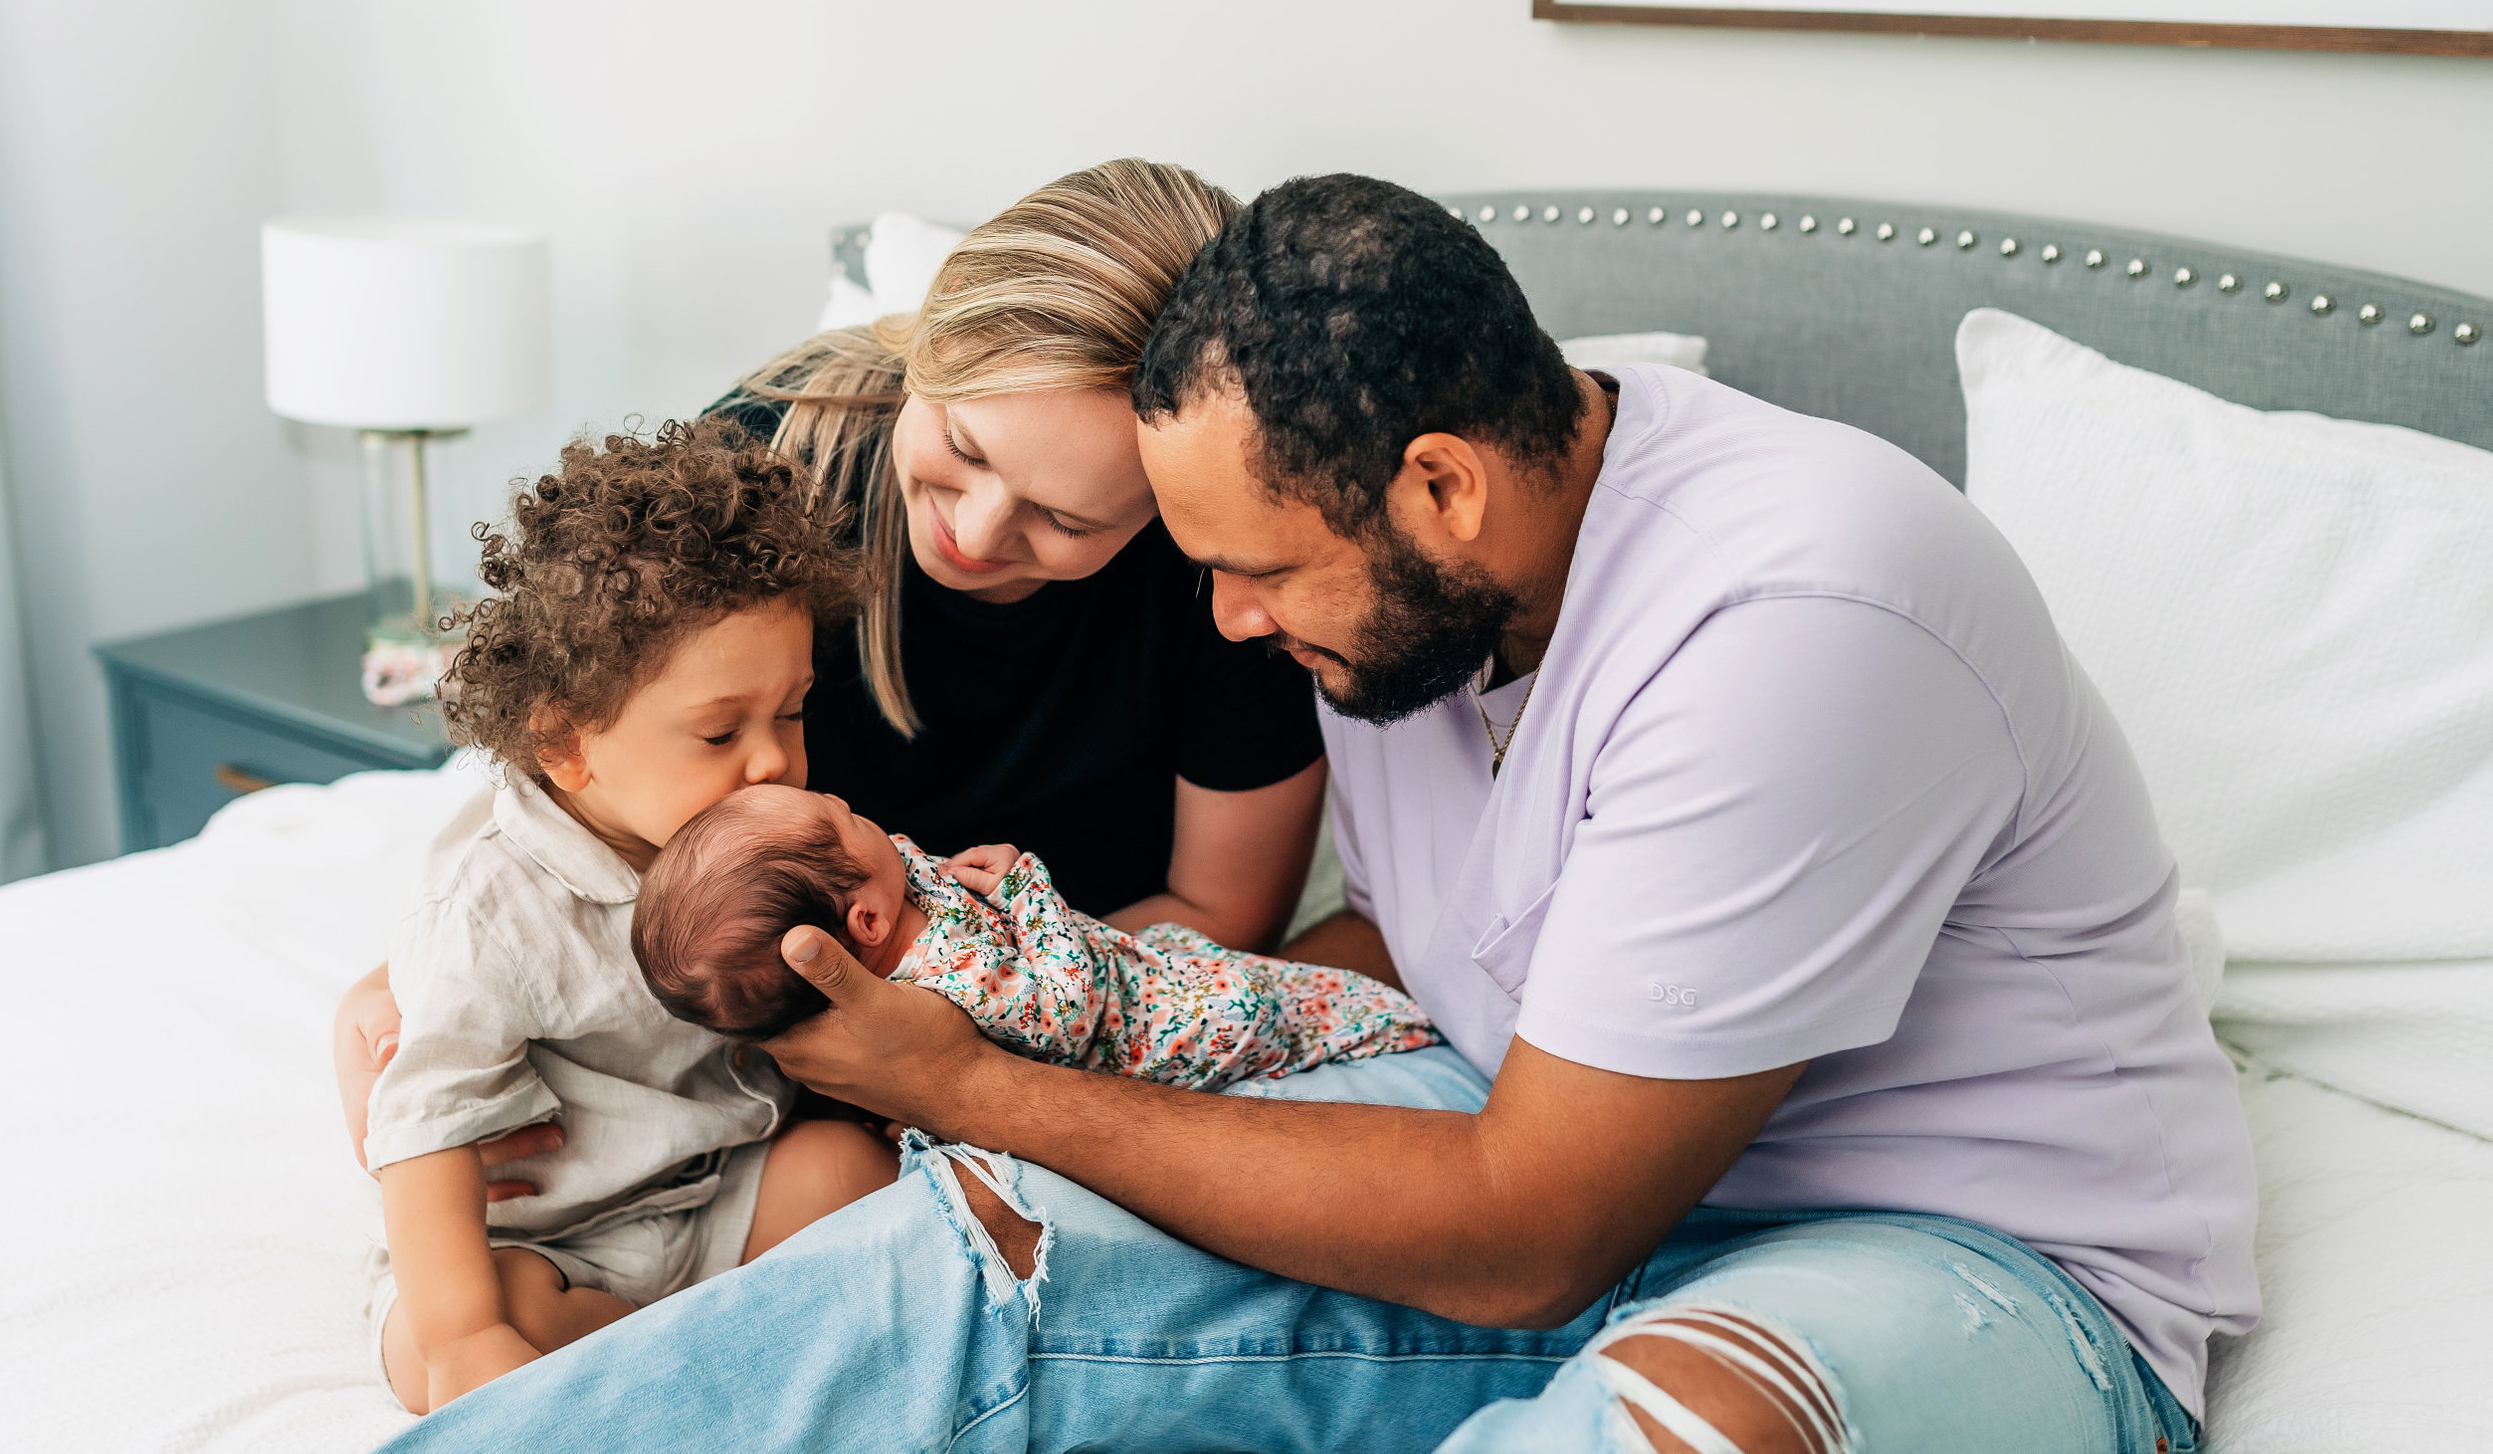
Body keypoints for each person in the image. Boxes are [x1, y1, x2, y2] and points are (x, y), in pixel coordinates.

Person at [378, 172, 2258, 1454]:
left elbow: (1531, 1228)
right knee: (981, 1266)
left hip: (1941, 1242)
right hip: (1513, 1116)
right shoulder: (1400, 596)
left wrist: (960, 1078)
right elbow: (1420, 964)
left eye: (1259, 573)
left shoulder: (1801, 616)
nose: (1228, 625)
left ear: (1441, 487)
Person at [331, 160, 1328, 1180]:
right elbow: (590, 807)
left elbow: (1223, 912)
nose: (977, 533)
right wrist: (420, 982)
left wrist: (959, 1031)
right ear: (931, 342)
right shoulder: (757, 479)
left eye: (1066, 518)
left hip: (1055, 982)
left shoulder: (1218, 573)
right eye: (963, 445)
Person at [364, 421, 897, 1415]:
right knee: (450, 1335)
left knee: (850, 1172)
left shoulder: (764, 838)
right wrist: (463, 1328)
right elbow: (423, 1128)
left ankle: (688, 1347)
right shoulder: (494, 907)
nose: (774, 759)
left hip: (711, 1194)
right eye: (719, 730)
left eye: (792, 712)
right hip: (552, 1235)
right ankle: (637, 1352)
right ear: (567, 742)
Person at [632, 785, 1437, 1088]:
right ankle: (1406, 1036)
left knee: (1280, 985)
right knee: (1287, 1007)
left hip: (1147, 968)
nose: (858, 807)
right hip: (1159, 1026)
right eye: (847, 820)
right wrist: (1028, 890)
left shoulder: (879, 910)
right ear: (866, 924)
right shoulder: (943, 976)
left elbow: (906, 863)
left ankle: (1397, 1023)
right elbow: (1064, 1008)